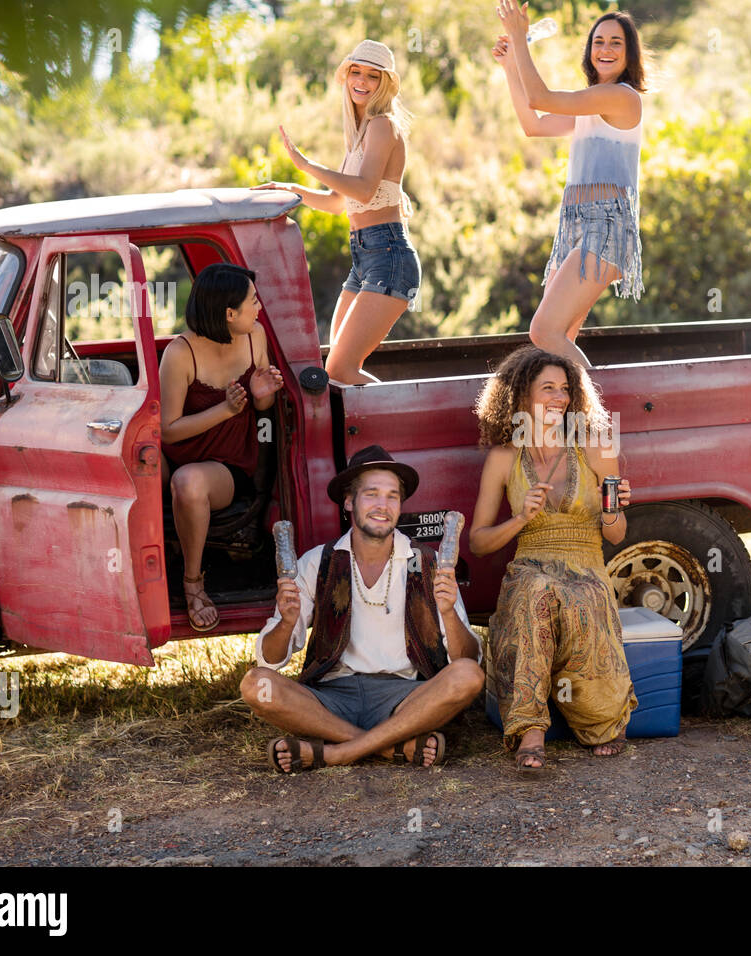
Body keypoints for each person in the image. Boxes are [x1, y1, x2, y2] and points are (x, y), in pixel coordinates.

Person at [240, 445, 485, 772]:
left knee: (469, 676)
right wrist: (285, 623)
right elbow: (270, 660)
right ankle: (390, 747)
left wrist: (448, 611)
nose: (382, 506)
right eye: (371, 495)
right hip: (332, 698)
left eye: (392, 496)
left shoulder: (427, 563)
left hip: (404, 698)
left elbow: (467, 660)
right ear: (349, 502)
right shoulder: (317, 563)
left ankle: (335, 753)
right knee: (257, 685)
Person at [469, 345, 637, 771]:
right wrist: (520, 518)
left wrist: (613, 509)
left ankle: (601, 719)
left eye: (565, 389)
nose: (560, 398)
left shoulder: (596, 447)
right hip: (531, 563)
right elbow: (479, 542)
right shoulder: (505, 458)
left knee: (579, 598)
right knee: (537, 591)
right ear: (521, 396)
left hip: (586, 564)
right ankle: (530, 730)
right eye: (548, 388)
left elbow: (616, 535)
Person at [255, 39, 419, 385]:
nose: (361, 80)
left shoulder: (382, 125)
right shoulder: (360, 134)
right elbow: (336, 201)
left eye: (372, 76)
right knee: (335, 374)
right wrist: (292, 189)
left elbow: (363, 189)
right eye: (355, 72)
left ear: (384, 84)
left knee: (341, 370)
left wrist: (306, 164)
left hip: (388, 254)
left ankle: (395, 428)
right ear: (346, 77)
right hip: (364, 257)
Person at [493, 4, 646, 368]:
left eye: (615, 43)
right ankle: (573, 422)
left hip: (606, 223)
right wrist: (510, 67)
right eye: (598, 42)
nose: (605, 50)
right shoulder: (591, 102)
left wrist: (518, 35)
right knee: (555, 343)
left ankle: (596, 416)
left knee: (544, 332)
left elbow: (540, 97)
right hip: (576, 224)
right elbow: (533, 124)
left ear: (629, 54)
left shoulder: (622, 96)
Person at [160, 263, 284, 631]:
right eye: (253, 301)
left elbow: (261, 408)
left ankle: (193, 582)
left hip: (227, 463)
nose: (259, 307)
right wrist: (226, 408)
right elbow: (167, 432)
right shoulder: (179, 353)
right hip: (177, 452)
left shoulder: (255, 336)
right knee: (149, 470)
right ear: (229, 314)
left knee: (188, 483)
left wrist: (262, 396)